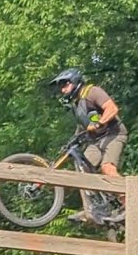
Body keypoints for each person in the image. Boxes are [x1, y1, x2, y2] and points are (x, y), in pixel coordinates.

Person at [48, 67, 129, 223]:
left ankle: (128, 201)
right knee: (82, 171)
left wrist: (99, 123)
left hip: (114, 134)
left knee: (107, 167)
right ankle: (92, 209)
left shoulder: (93, 92)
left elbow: (112, 108)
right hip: (95, 140)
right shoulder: (77, 105)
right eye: (61, 87)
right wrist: (72, 141)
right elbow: (82, 128)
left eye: (65, 85)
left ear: (75, 81)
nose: (63, 89)